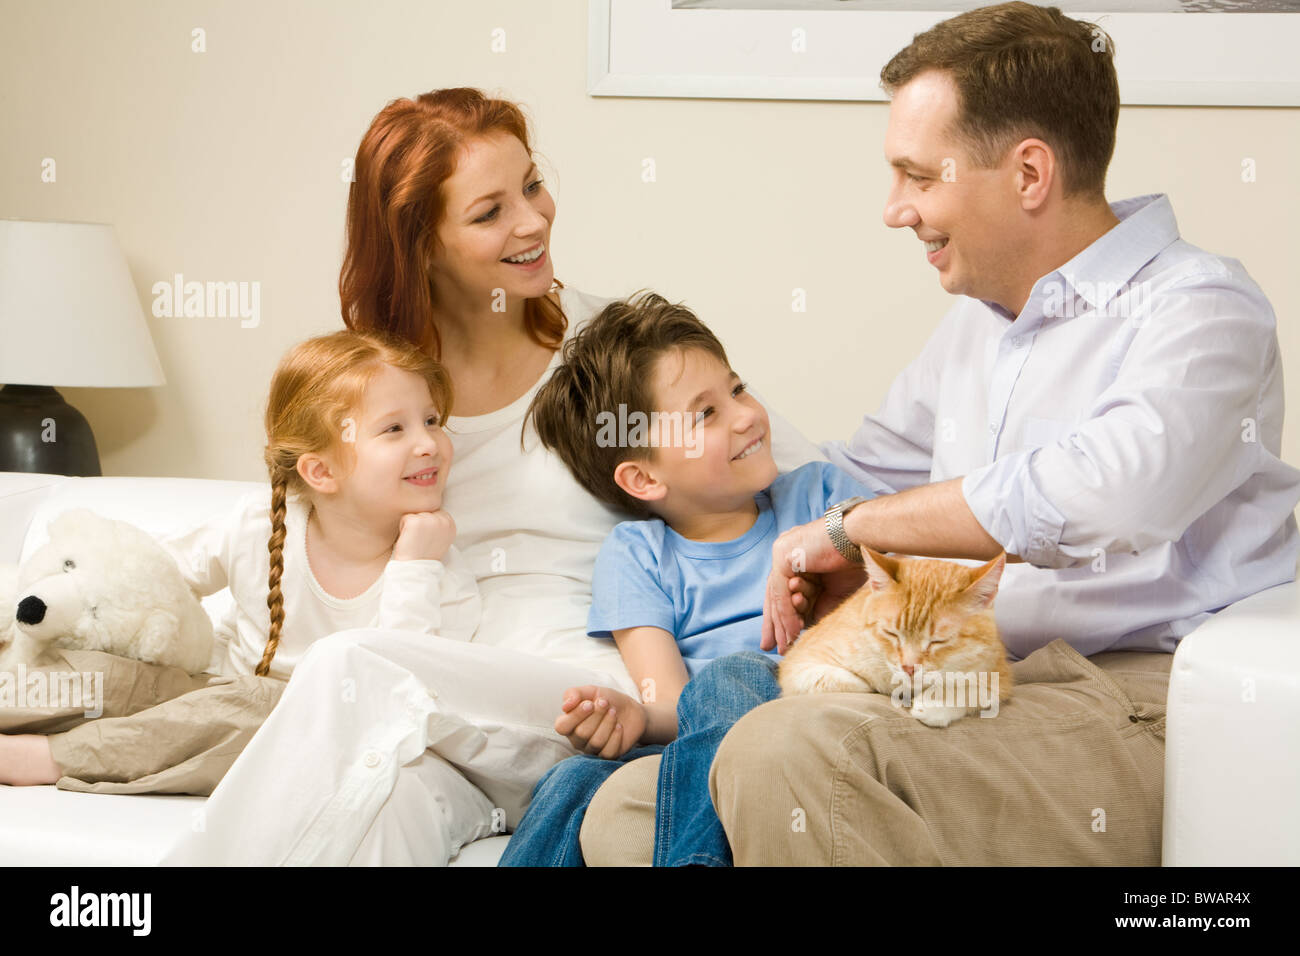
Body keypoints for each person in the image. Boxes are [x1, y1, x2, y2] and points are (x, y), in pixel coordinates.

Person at [577, 2, 1300, 866]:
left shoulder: (1201, 308)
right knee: (627, 808)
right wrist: (683, 474)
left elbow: (1105, 494)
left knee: (779, 757)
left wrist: (856, 529)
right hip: (962, 681)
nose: (894, 209)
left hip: (1133, 698)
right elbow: (848, 474)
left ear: (1029, 173)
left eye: (918, 177)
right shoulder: (978, 327)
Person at [160, 89, 823, 865]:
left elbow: (768, 467)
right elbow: (289, 529)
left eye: (533, 187)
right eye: (489, 212)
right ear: (420, 245)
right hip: (441, 717)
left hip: (576, 698)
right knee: (380, 813)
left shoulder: (610, 352)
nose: (534, 221)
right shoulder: (379, 394)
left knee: (355, 665)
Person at [0, 330, 490, 856]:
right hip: (212, 694)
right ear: (320, 470)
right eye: (395, 428)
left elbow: (399, 696)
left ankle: (49, 757)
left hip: (306, 739)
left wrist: (415, 564)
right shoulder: (259, 523)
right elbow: (155, 577)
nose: (428, 442)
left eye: (433, 420)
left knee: (247, 709)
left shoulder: (436, 571)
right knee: (113, 679)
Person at [496, 292, 873, 866]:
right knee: (570, 779)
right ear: (643, 479)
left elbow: (902, 592)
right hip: (697, 732)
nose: (747, 414)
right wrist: (636, 717)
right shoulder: (638, 554)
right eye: (706, 414)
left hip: (809, 707)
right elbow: (670, 700)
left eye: (738, 388)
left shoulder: (818, 496)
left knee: (730, 676)